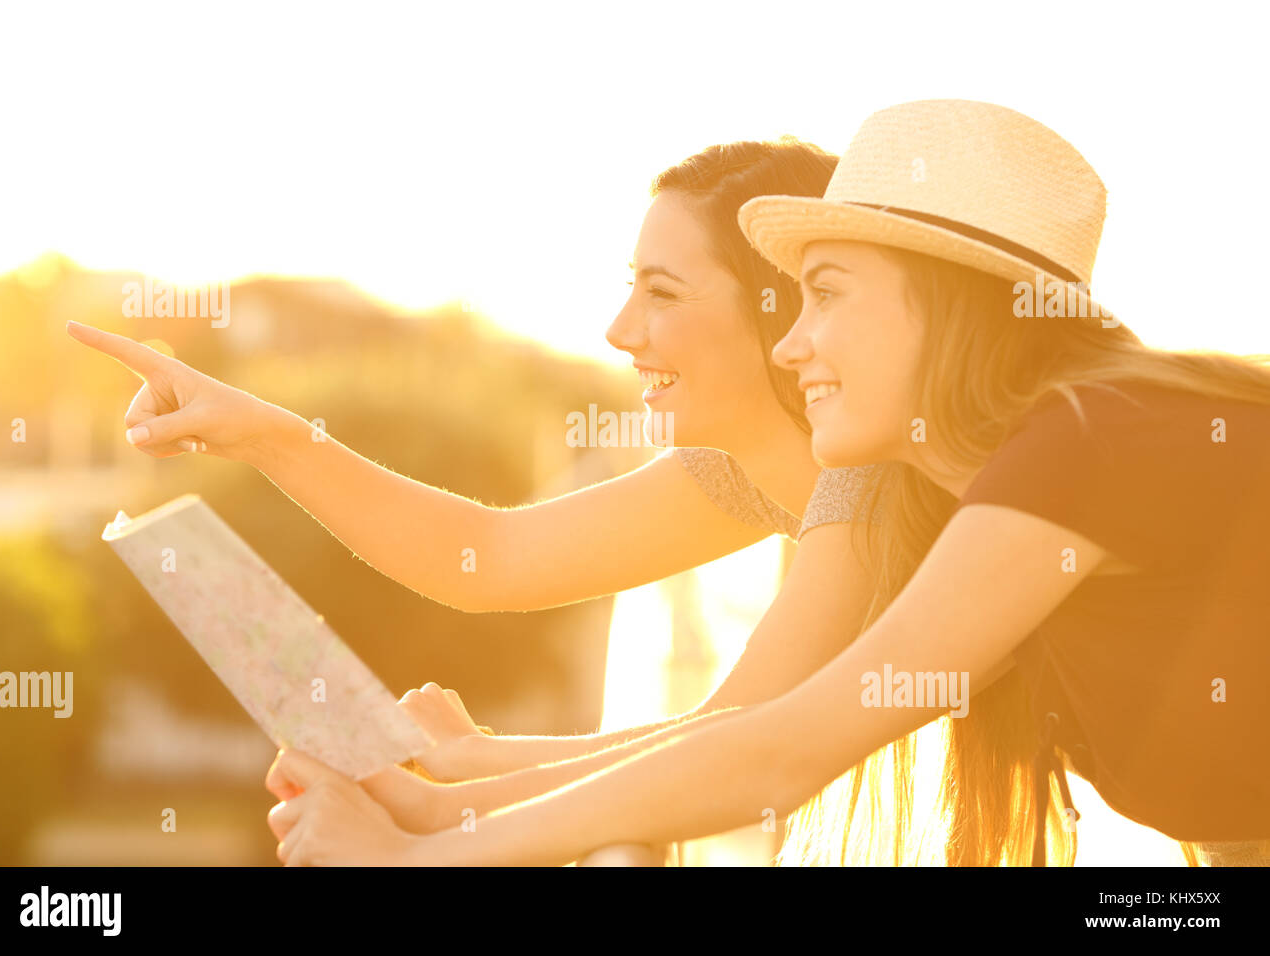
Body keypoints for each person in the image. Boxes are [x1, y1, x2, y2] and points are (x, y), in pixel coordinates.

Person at [263, 99, 1270, 867]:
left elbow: (776, 752)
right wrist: (454, 794)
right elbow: (757, 735)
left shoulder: (1084, 445)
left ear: (946, 304)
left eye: (825, 294)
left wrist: (425, 849)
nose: (791, 343)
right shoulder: (983, 500)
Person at [67, 139, 880, 792]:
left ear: (783, 305)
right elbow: (488, 556)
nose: (619, 330)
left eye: (662, 294)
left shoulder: (872, 485)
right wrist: (261, 433)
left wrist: (478, 772)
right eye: (630, 287)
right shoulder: (741, 476)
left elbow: (730, 744)